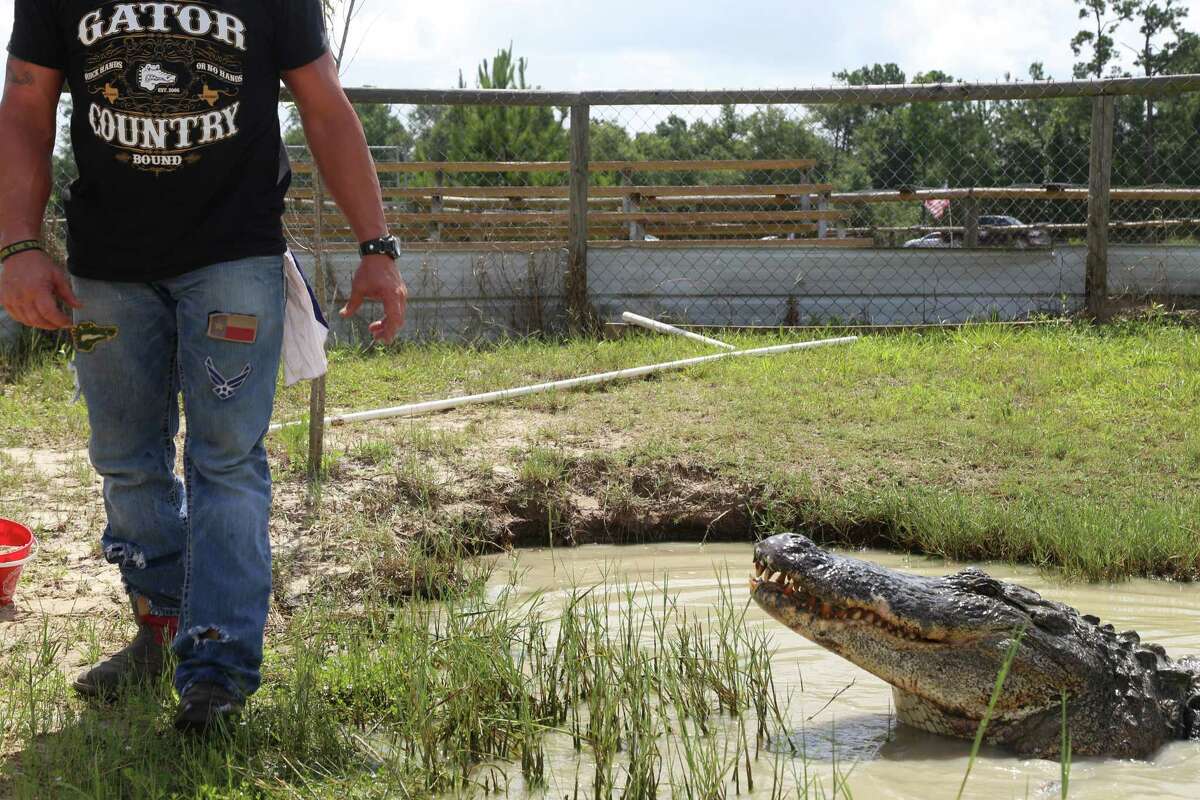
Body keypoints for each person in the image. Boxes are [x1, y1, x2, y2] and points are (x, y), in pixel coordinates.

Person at [0, 0, 407, 732]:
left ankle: (216, 674)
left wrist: (377, 248)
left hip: (235, 260)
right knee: (123, 459)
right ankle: (159, 631)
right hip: (104, 274)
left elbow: (323, 100)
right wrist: (18, 246)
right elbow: (27, 102)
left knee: (224, 460)